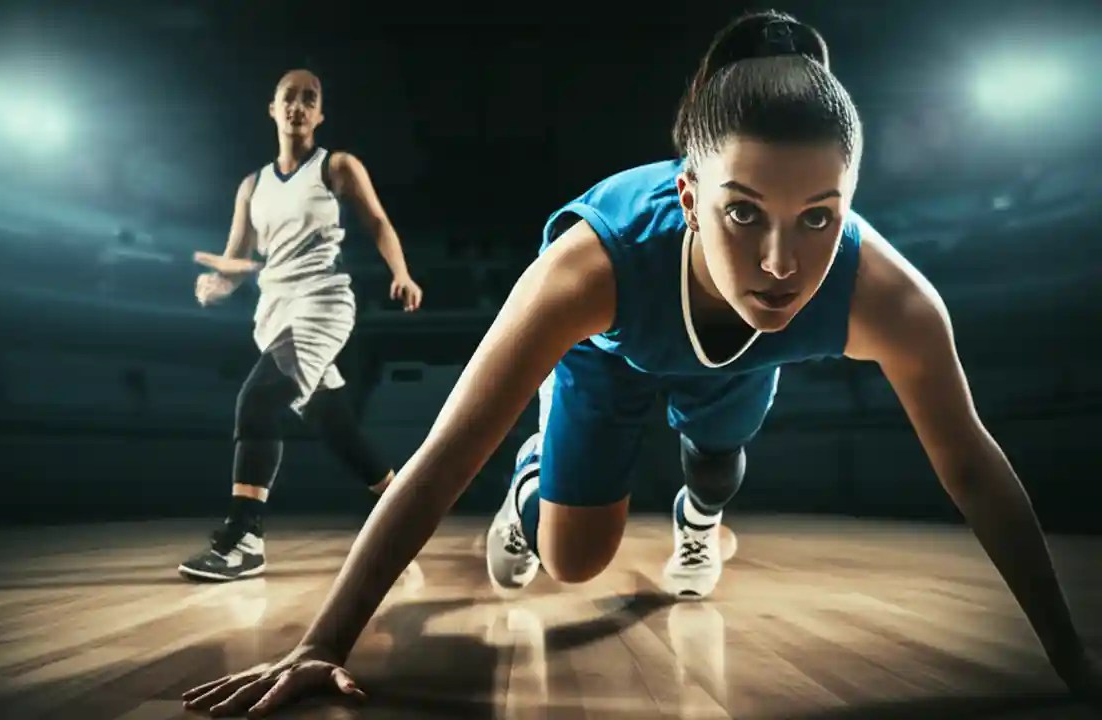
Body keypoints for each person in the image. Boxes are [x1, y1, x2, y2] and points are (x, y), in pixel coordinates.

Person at [181, 11, 1100, 714]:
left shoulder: (886, 296)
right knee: (573, 562)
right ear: (690, 193)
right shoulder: (591, 265)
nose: (783, 264)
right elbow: (434, 464)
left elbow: (972, 468)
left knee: (717, 462)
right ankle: (535, 481)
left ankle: (701, 515)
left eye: (819, 216)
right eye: (744, 211)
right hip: (609, 360)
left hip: (738, 362)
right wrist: (322, 643)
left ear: (850, 201)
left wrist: (1070, 656)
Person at [178, 69, 424, 582]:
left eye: (309, 99)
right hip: (272, 314)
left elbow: (377, 221)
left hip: (321, 305)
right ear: (272, 108)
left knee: (258, 400)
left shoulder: (336, 167)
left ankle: (245, 538)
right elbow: (236, 258)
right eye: (289, 97)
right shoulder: (252, 185)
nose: (298, 105)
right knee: (335, 425)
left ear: (319, 114)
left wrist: (400, 272)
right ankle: (406, 509)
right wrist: (215, 286)